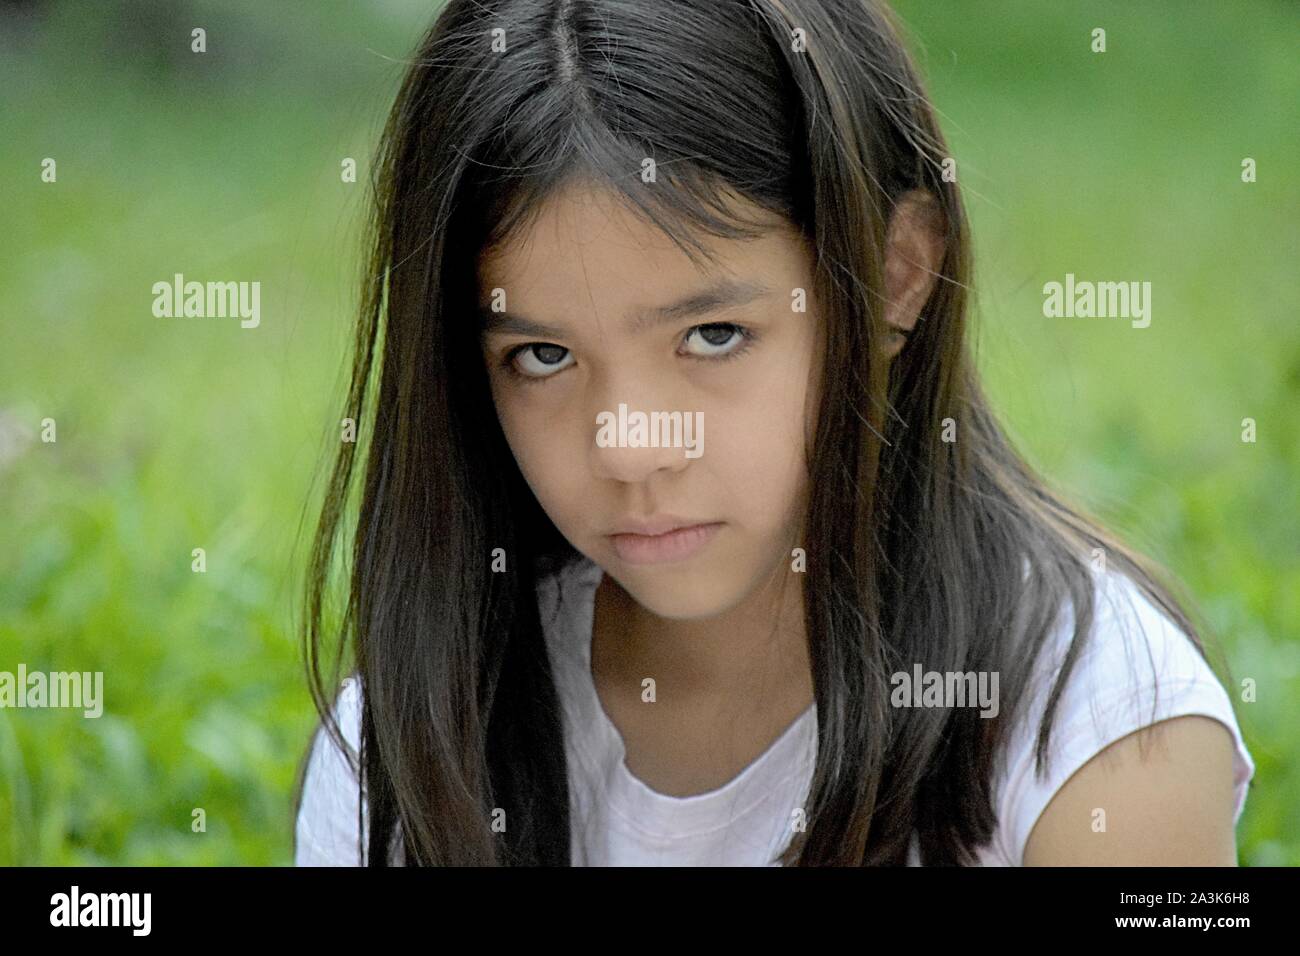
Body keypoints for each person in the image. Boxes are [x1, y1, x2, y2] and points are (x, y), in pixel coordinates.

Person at [293, 0, 1253, 866]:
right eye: (543, 356)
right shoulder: (416, 739)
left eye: (713, 336)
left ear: (897, 275)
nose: (630, 446)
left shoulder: (1094, 722)